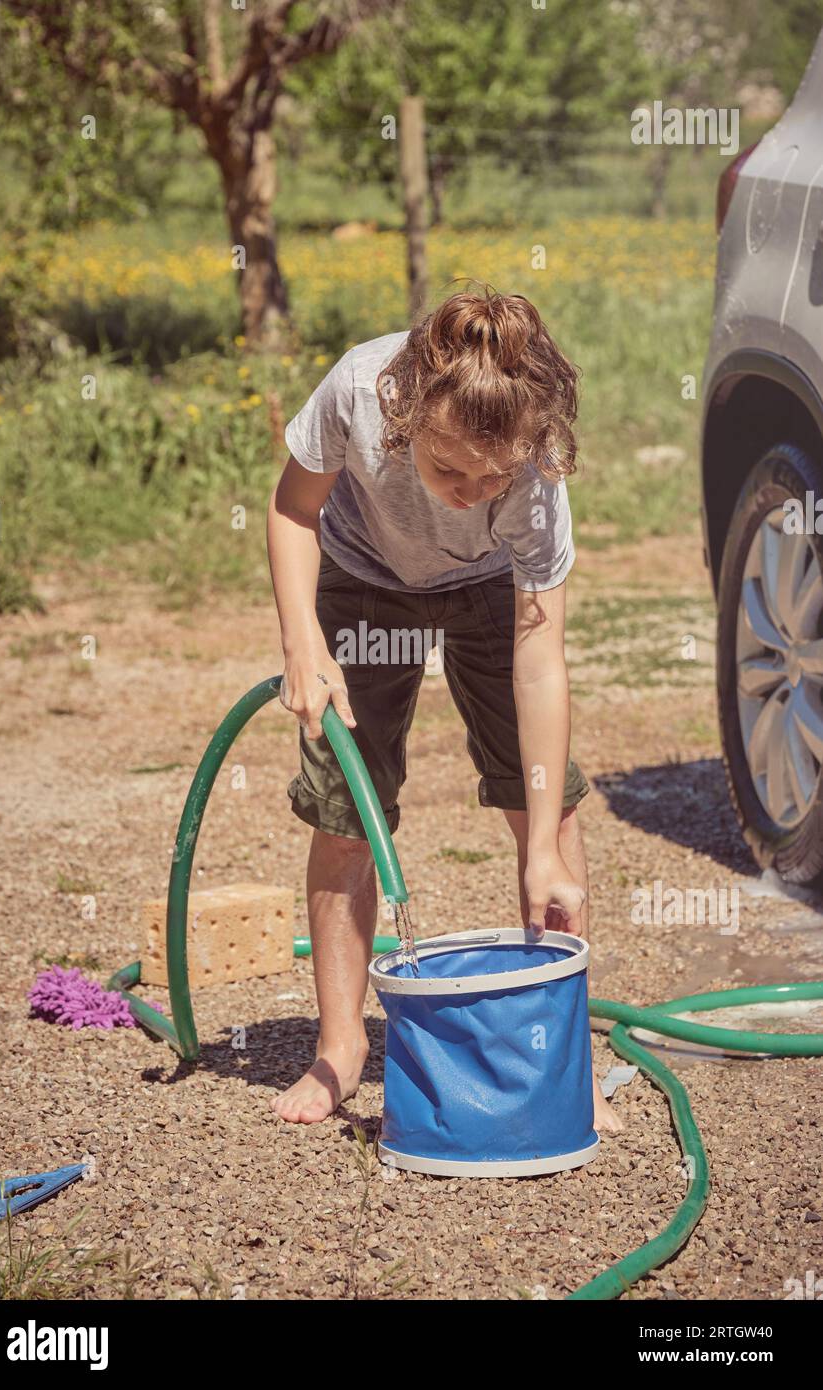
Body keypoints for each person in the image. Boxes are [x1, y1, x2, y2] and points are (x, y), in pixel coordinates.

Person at [266, 282, 622, 1134]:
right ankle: (342, 1043)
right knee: (346, 807)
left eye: (488, 476)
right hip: (361, 578)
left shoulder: (535, 479)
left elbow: (541, 662)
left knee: (543, 803)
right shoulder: (359, 388)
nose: (468, 489)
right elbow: (292, 508)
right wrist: (302, 645)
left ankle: (560, 1055)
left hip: (488, 586)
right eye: (448, 467)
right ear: (409, 415)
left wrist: (539, 846)